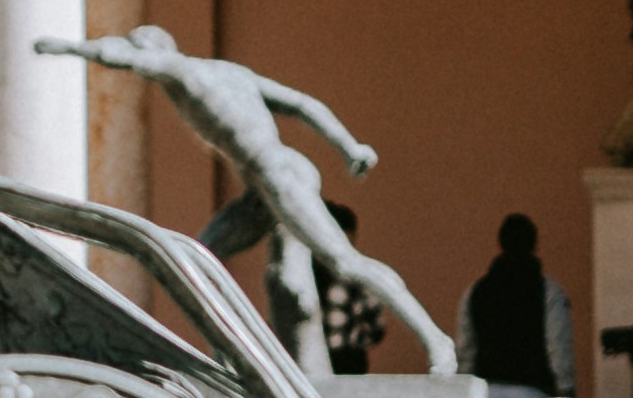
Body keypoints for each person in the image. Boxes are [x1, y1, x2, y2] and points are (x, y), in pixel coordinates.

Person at [54, 23, 458, 379]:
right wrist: (348, 146)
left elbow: (118, 56)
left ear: (156, 50)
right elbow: (303, 104)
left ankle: (436, 342)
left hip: (278, 175)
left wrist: (65, 48)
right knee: (199, 257)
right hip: (266, 185)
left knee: (345, 262)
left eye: (141, 49)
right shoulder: (229, 72)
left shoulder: (185, 72)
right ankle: (229, 359)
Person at [464, 214, 575, 398]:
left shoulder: (476, 290)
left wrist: (465, 386)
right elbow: (557, 343)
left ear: (500, 243)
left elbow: (466, 347)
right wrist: (566, 388)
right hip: (532, 390)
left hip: (486, 391)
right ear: (535, 244)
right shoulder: (548, 289)